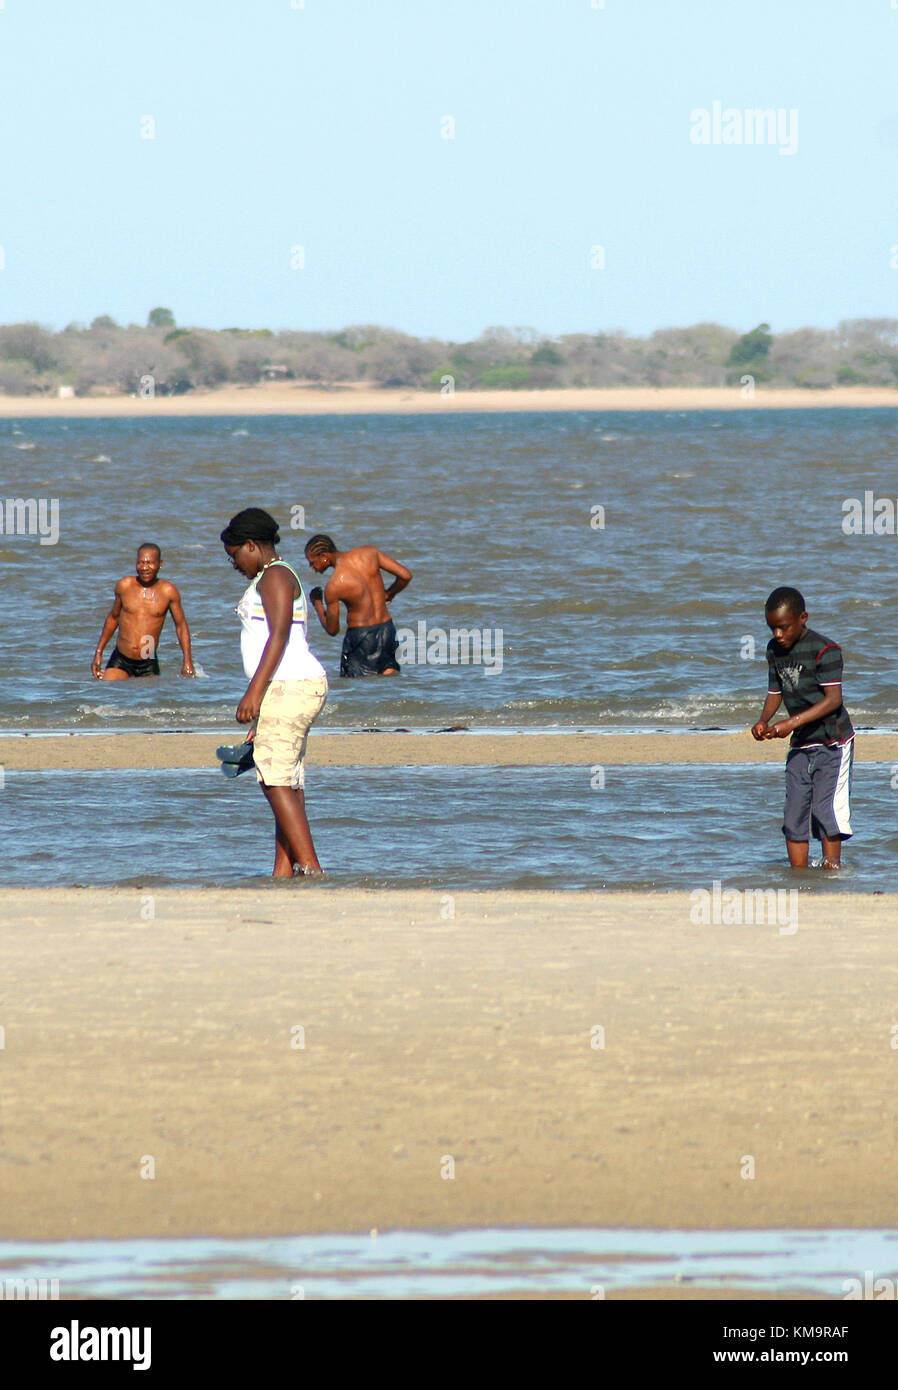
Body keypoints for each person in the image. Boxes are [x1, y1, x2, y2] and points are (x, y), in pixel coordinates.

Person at [222, 508, 328, 877]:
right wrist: (264, 705)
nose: (235, 563)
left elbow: (280, 636)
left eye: (235, 554)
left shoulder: (276, 577)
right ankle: (283, 873)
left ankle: (311, 868)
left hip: (290, 685)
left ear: (252, 545)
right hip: (286, 688)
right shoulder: (273, 577)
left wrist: (254, 694)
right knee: (286, 779)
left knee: (275, 779)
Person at [751, 586, 854, 869]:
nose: (777, 635)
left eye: (783, 627)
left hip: (834, 741)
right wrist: (764, 721)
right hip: (801, 742)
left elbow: (833, 700)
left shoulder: (826, 650)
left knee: (825, 809)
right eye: (772, 628)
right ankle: (799, 877)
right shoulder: (774, 650)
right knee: (794, 811)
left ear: (802, 618)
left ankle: (831, 871)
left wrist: (790, 723)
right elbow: (776, 691)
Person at [304, 533, 412, 676]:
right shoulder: (369, 553)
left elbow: (332, 629)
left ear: (324, 556)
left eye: (313, 562)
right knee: (389, 680)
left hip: (361, 638)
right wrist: (389, 593)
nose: (312, 567)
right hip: (387, 630)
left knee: (359, 689)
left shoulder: (335, 585)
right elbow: (405, 575)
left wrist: (317, 603)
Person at [92, 543, 195, 679]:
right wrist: (98, 652)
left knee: (148, 699)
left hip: (148, 660)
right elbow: (113, 618)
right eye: (141, 563)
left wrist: (187, 660)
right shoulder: (125, 586)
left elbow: (181, 626)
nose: (145, 567)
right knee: (110, 693)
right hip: (121, 658)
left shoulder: (168, 591)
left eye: (150, 563)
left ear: (160, 564)